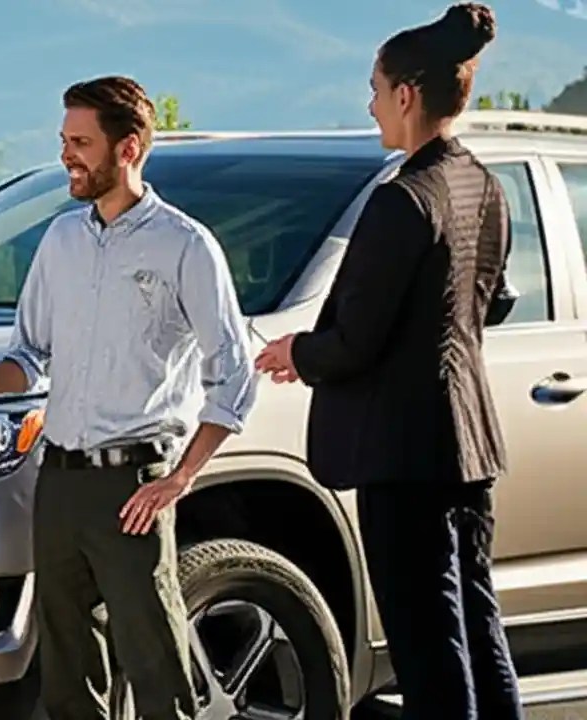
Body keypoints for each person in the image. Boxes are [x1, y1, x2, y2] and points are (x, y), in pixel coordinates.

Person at [0, 75, 257, 720]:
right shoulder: (60, 241)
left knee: (155, 668)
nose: (68, 154)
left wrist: (180, 478)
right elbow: (29, 358)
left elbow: (233, 373)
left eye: (82, 141)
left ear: (129, 147)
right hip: (57, 483)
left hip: (133, 487)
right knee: (66, 673)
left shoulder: (185, 245)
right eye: (64, 140)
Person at [253, 4, 522, 718]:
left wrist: (293, 353)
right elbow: (488, 302)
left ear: (407, 94)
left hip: (402, 455)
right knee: (475, 620)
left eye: (374, 89)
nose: (370, 104)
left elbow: (355, 341)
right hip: (468, 443)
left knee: (426, 640)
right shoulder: (483, 186)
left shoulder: (402, 200)